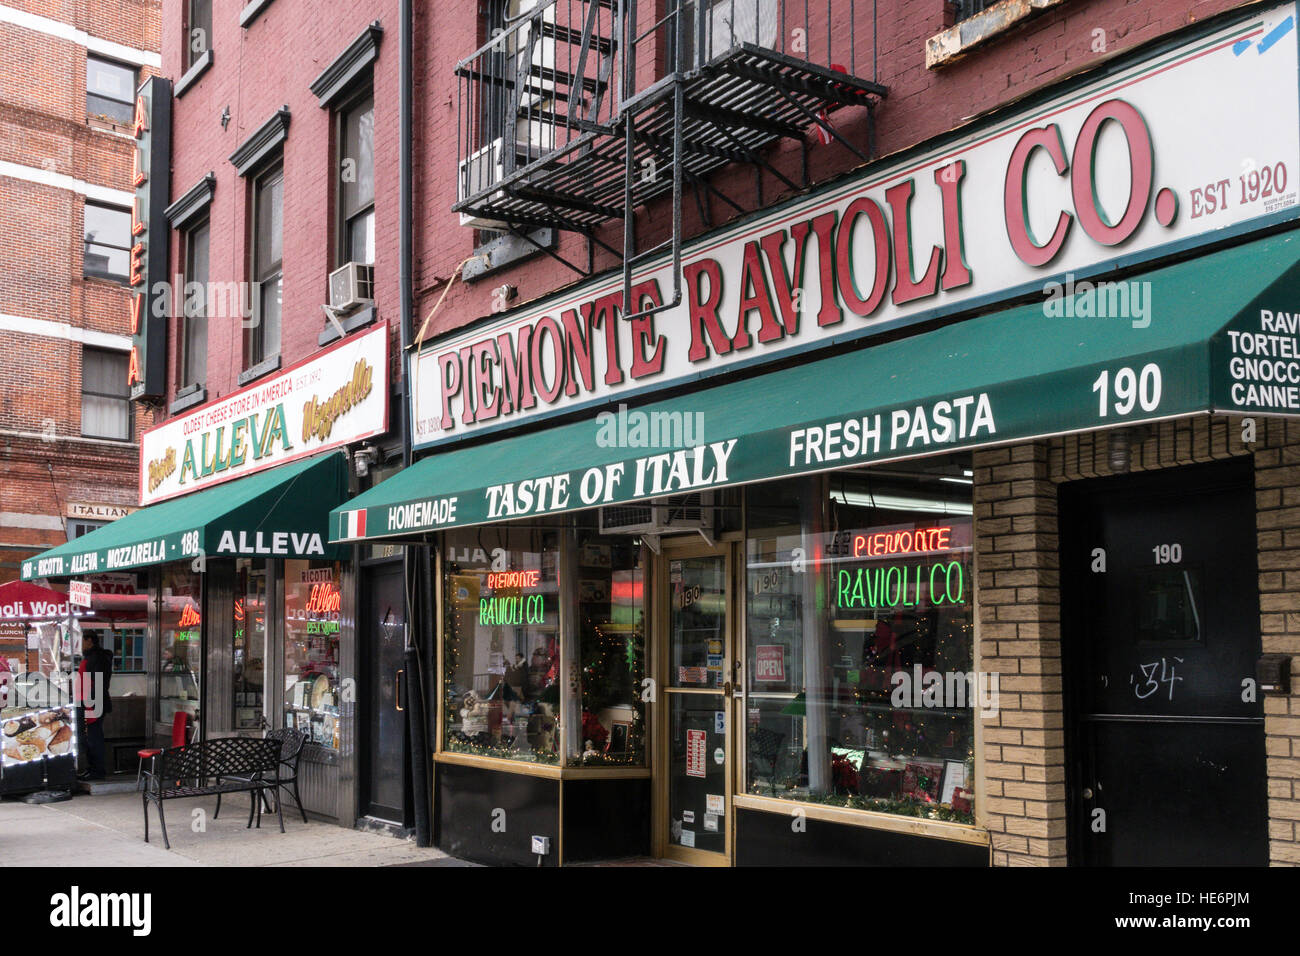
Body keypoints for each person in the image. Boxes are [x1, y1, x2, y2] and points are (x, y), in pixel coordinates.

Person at [76, 633, 113, 781]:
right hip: (88, 701)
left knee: (93, 738)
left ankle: (97, 770)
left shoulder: (97, 658)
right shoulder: (91, 657)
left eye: (82, 641)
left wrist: (89, 702)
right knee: (89, 737)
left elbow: (98, 682)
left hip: (93, 703)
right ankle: (91, 768)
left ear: (89, 641)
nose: (80, 644)